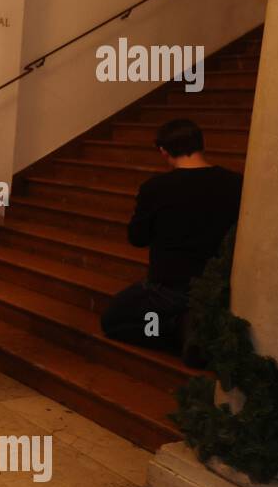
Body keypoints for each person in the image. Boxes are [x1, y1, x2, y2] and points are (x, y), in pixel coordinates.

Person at [101, 118, 242, 361]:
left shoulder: (155, 188)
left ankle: (177, 328)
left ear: (163, 151)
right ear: (201, 145)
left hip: (167, 288)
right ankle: (191, 324)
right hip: (216, 285)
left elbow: (137, 238)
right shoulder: (236, 183)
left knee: (113, 320)